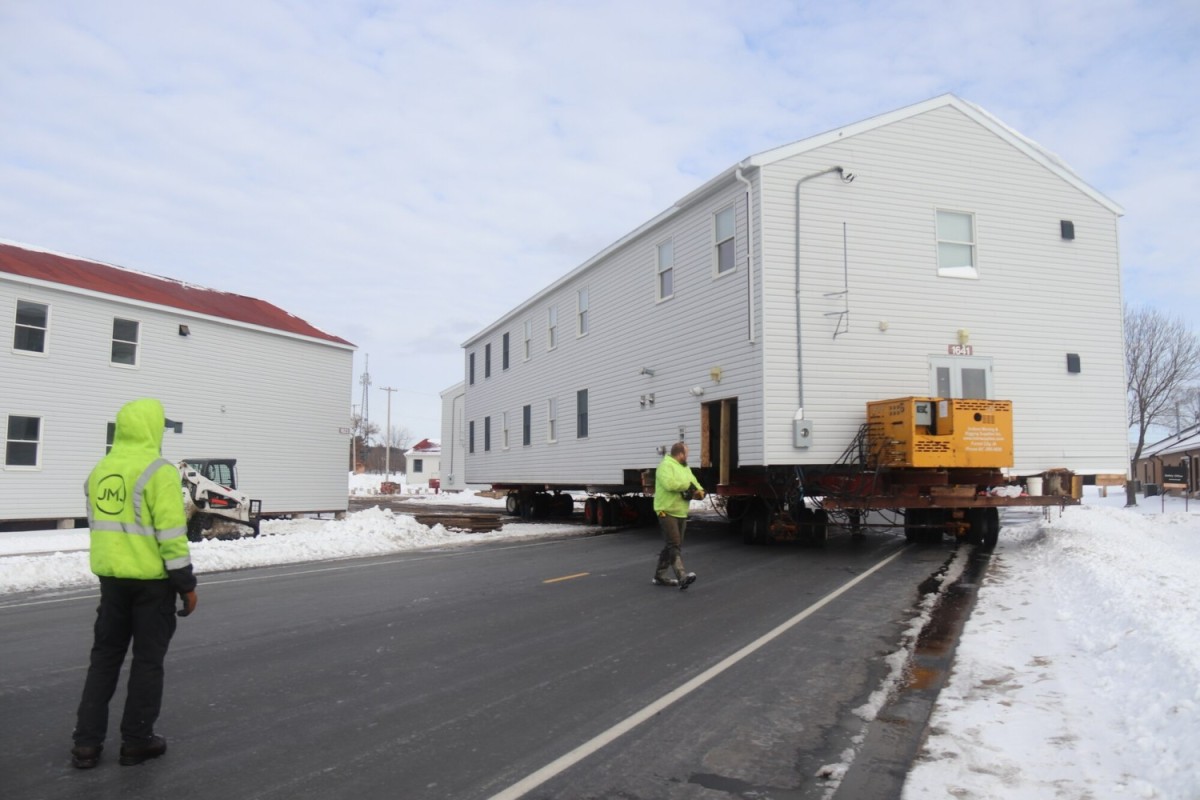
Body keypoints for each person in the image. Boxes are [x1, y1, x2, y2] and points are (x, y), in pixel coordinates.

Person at [71, 398, 198, 769]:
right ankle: (137, 740)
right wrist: (186, 585)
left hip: (111, 582)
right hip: (151, 586)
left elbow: (101, 524)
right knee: (147, 662)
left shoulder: (100, 470)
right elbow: (172, 537)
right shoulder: (158, 471)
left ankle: (86, 744)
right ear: (151, 429)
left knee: (104, 659)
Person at [652, 441, 705, 590]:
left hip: (680, 511)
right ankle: (682, 577)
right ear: (680, 454)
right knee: (674, 543)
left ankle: (659, 576)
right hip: (665, 510)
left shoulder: (685, 468)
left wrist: (700, 492)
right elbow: (670, 484)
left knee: (673, 544)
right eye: (686, 453)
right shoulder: (665, 466)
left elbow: (695, 483)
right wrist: (688, 487)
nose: (688, 456)